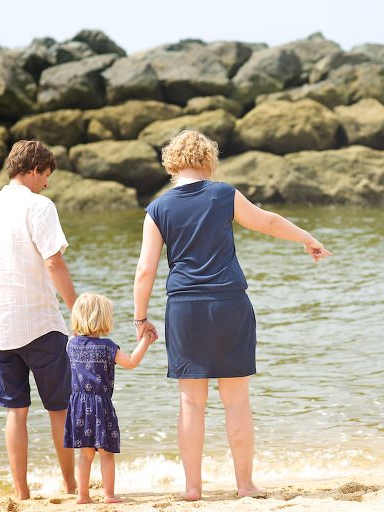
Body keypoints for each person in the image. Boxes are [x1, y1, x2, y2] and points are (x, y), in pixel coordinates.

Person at [133, 130, 331, 500]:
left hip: (185, 308)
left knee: (191, 403)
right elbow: (267, 222)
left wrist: (140, 318)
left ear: (172, 164)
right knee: (236, 401)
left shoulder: (157, 209)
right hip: (229, 304)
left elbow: (146, 270)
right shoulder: (224, 194)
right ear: (208, 160)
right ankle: (245, 485)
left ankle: (193, 489)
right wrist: (307, 237)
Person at [0, 140, 78, 499]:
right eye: (45, 176)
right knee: (59, 409)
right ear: (34, 169)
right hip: (40, 324)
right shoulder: (39, 206)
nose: (47, 183)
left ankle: (22, 492)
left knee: (15, 411)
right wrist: (76, 308)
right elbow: (53, 262)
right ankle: (70, 485)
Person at [64, 292, 155, 504]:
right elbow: (131, 362)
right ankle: (109, 495)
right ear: (103, 319)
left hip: (78, 406)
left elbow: (75, 338)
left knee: (85, 454)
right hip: (100, 406)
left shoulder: (71, 344)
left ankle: (82, 496)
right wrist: (146, 339)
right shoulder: (107, 347)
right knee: (106, 453)